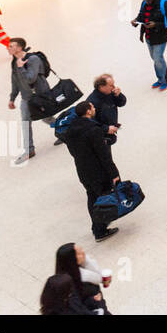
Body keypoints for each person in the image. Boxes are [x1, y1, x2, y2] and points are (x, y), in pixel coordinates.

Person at [63, 100, 120, 243]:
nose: (94, 108)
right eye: (92, 107)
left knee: (92, 197)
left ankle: (98, 228)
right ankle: (100, 229)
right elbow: (104, 155)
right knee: (102, 198)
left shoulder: (70, 130)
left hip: (83, 171)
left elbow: (72, 151)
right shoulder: (93, 130)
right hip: (98, 172)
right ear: (88, 111)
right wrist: (114, 173)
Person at [7, 38, 47, 164]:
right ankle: (29, 150)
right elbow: (16, 81)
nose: (8, 48)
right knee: (25, 122)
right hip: (26, 97)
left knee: (47, 117)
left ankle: (65, 130)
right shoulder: (15, 61)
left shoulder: (33, 59)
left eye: (11, 46)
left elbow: (30, 78)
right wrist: (12, 98)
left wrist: (21, 67)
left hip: (40, 94)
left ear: (19, 48)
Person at [130, 0, 167, 89]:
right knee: (155, 59)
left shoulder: (164, 5)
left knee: (158, 58)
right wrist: (136, 21)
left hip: (161, 37)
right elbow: (141, 15)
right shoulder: (144, 3)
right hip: (149, 36)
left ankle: (165, 80)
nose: (148, 2)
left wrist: (156, 24)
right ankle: (160, 79)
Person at [54, 242, 109, 314]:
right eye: (79, 253)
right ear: (71, 260)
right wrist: (97, 302)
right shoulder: (69, 284)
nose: (83, 253)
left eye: (82, 249)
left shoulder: (81, 268)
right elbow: (77, 308)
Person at [90, 74, 126, 146]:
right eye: (111, 85)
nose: (114, 87)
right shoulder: (92, 102)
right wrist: (106, 129)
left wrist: (119, 95)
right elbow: (90, 123)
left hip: (110, 129)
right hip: (101, 136)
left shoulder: (110, 93)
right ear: (101, 87)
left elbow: (121, 103)